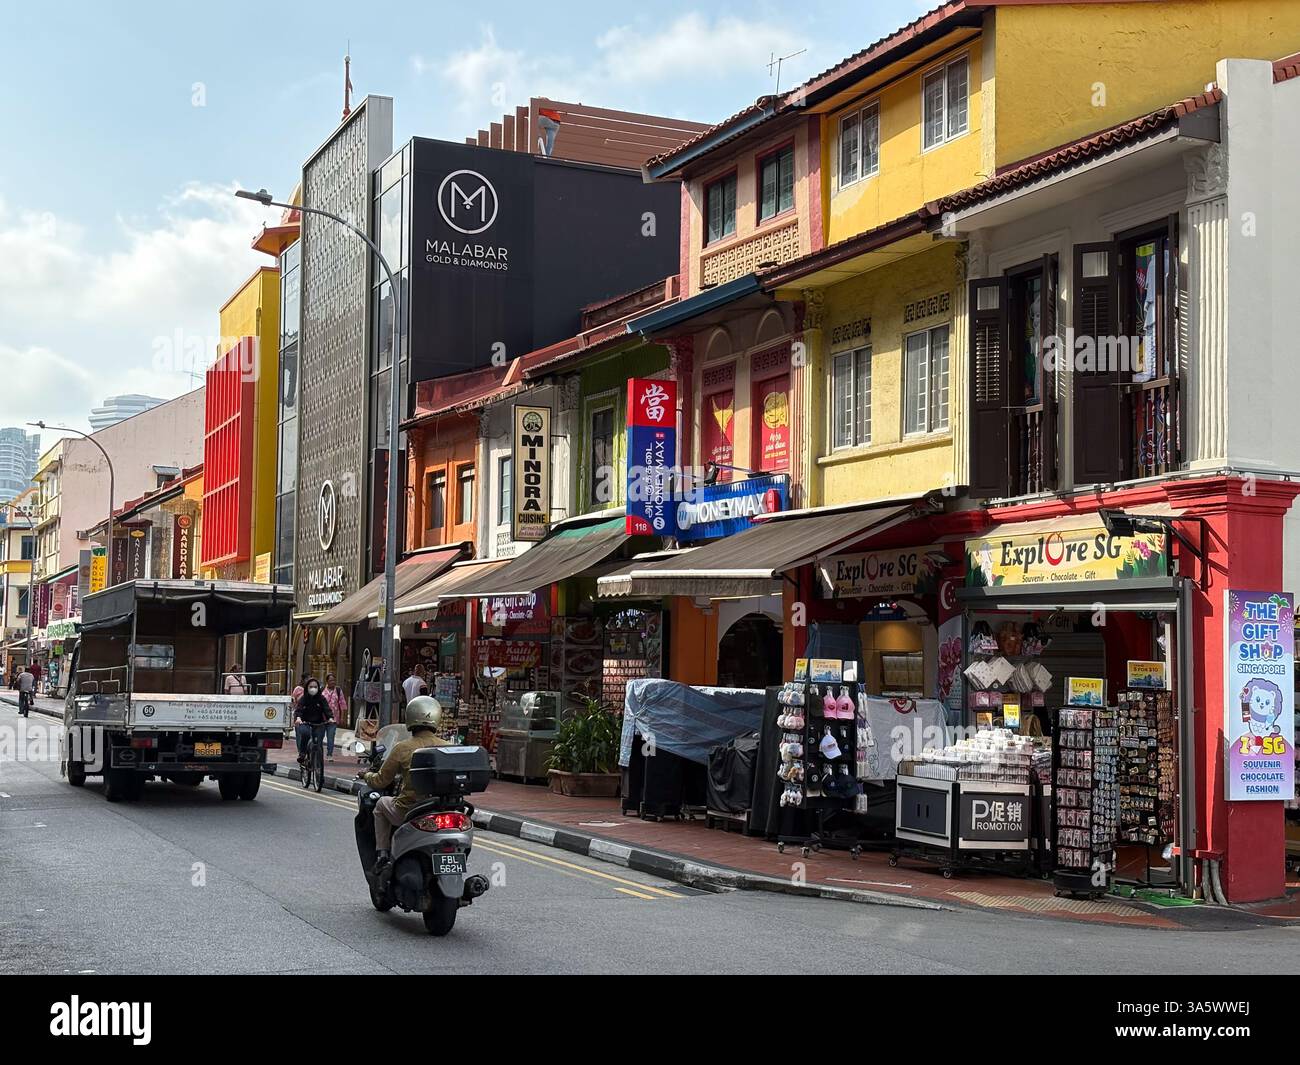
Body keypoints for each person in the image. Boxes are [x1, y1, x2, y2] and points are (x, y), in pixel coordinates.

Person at [362, 695, 448, 870]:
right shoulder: (449, 746)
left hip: (410, 810)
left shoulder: (402, 747)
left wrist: (366, 775)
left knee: (380, 804)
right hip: (442, 809)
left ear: (410, 718)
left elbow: (380, 780)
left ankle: (382, 854)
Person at [294, 677, 334, 765]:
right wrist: (298, 718)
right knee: (305, 734)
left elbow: (327, 709)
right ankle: (302, 754)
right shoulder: (303, 698)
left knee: (318, 741)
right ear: (307, 688)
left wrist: (330, 718)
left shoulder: (321, 698)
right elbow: (299, 710)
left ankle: (318, 767)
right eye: (311, 687)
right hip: (305, 722)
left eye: (315, 687)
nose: (313, 689)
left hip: (318, 723)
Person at [321, 673, 347, 761]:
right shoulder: (322, 690)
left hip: (333, 719)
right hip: (322, 718)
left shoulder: (338, 690)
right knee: (320, 737)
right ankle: (318, 753)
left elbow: (342, 704)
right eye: (331, 680)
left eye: (334, 680)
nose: (333, 682)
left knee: (331, 737)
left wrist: (342, 717)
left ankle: (329, 754)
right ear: (327, 681)